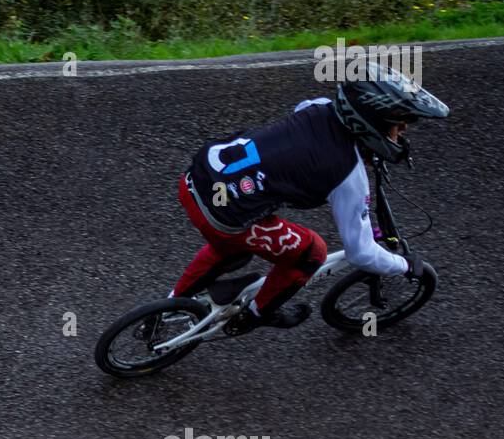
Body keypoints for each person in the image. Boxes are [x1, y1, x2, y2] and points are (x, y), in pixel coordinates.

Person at [173, 61, 449, 335]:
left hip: (195, 181)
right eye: (398, 126)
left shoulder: (318, 107)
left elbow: (303, 131)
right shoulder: (348, 175)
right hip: (223, 218)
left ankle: (172, 303)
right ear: (372, 123)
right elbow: (360, 253)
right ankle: (256, 313)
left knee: (233, 245)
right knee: (310, 252)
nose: (402, 133)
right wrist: (404, 266)